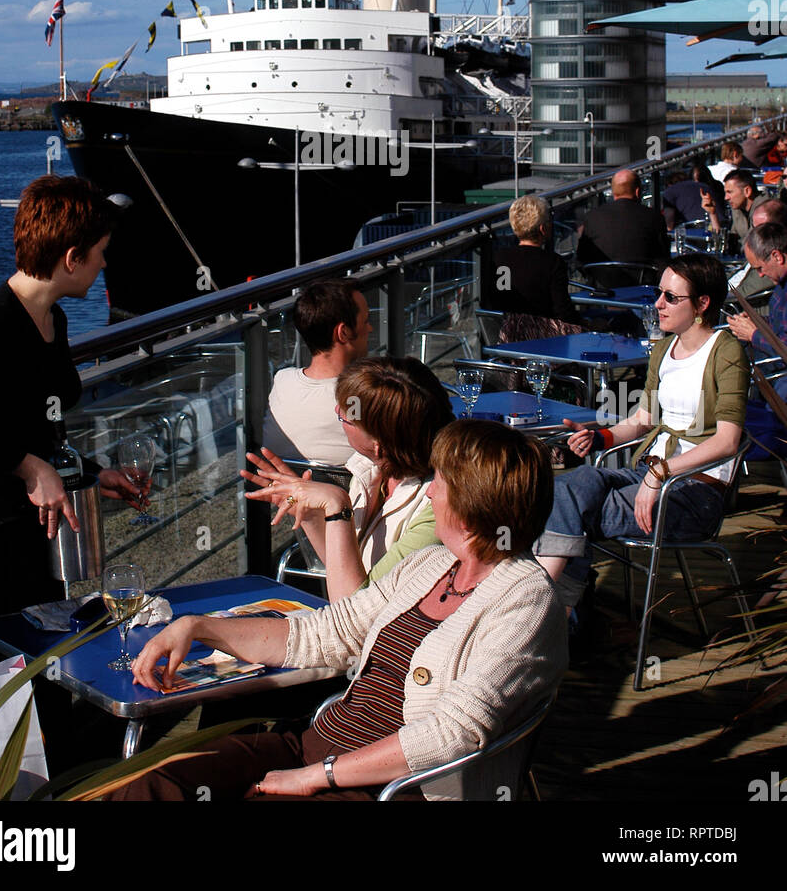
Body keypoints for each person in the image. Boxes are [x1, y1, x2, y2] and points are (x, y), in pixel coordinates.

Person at [109, 420, 567, 802]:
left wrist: (315, 777)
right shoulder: (433, 564)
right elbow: (326, 633)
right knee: (156, 786)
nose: (430, 495)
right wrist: (198, 627)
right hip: (316, 745)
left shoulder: (526, 601)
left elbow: (453, 733)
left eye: (441, 484)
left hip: (391, 788)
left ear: (471, 505)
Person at [0, 175, 143, 669]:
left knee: (46, 673)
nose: (104, 264)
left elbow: (36, 426)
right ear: (71, 258)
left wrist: (89, 473)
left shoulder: (54, 318)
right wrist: (28, 468)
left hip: (33, 533)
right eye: (100, 252)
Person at [533, 254, 748, 609]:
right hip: (644, 476)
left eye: (671, 297)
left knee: (569, 509)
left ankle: (546, 613)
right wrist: (599, 437)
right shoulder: (664, 349)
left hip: (695, 491)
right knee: (562, 487)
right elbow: (642, 421)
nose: (658, 305)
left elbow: (727, 441)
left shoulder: (725, 352)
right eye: (659, 293)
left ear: (702, 304)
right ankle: (558, 615)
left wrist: (658, 474)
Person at [244, 357, 452, 601]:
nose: (337, 412)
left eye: (345, 416)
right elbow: (342, 572)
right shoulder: (371, 470)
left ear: (378, 444)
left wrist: (338, 506)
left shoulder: (439, 507)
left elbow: (355, 607)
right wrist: (311, 516)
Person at [262, 279, 371, 466]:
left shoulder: (282, 381)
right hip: (350, 493)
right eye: (366, 320)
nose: (370, 328)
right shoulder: (360, 395)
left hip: (284, 491)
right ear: (343, 333)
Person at [483, 194, 577, 322]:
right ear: (543, 229)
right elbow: (564, 313)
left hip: (506, 333)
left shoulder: (498, 258)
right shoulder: (553, 262)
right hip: (542, 337)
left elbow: (495, 301)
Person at [726, 222, 787, 383]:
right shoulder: (781, 284)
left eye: (760, 268)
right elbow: (781, 325)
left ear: (777, 257)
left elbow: (784, 350)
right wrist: (758, 321)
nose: (760, 275)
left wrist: (753, 334)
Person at [576, 169, 670, 272]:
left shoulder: (592, 217)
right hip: (642, 284)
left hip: (602, 284)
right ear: (637, 191)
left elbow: (581, 259)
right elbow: (663, 257)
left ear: (613, 192)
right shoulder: (654, 216)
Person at [662, 163, 726, 232]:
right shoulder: (704, 186)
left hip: (696, 231)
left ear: (669, 184)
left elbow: (669, 225)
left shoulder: (669, 192)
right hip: (719, 225)